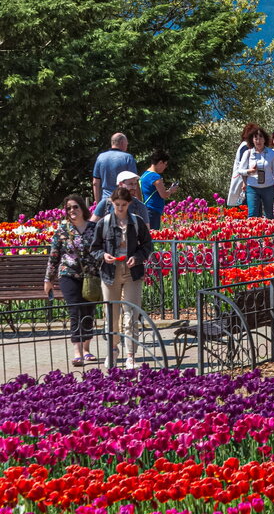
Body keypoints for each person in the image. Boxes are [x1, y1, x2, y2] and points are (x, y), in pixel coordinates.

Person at [90, 187, 154, 369]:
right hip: (110, 272)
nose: (120, 208)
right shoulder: (104, 223)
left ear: (129, 204)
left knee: (132, 314)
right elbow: (94, 248)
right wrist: (103, 256)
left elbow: (148, 245)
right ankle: (113, 349)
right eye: (117, 205)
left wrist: (138, 257)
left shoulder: (136, 222)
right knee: (111, 314)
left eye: (123, 205)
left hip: (132, 271)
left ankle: (131, 355)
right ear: (111, 203)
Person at [44, 195, 99, 366]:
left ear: (82, 208)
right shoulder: (62, 230)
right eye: (68, 208)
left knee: (88, 310)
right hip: (68, 275)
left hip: (90, 276)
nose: (72, 211)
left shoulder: (94, 228)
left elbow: (101, 250)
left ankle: (87, 348)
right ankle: (77, 351)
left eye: (75, 207)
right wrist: (48, 279)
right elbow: (54, 256)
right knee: (75, 311)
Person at [237, 127, 274, 219]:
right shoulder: (248, 153)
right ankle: (252, 233)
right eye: (256, 138)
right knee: (252, 215)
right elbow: (240, 170)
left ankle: (270, 233)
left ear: (265, 139)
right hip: (252, 188)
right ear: (252, 140)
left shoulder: (271, 153)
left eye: (261, 137)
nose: (258, 141)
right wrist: (249, 171)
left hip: (268, 188)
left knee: (269, 214)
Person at [92, 133, 137, 205]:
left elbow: (95, 183)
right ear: (122, 143)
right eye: (126, 144)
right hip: (123, 201)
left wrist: (98, 204)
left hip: (106, 200)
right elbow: (134, 182)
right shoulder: (128, 158)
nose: (127, 146)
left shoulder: (100, 157)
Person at [139, 151, 178, 230]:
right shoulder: (155, 177)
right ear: (160, 162)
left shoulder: (144, 175)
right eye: (165, 164)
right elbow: (164, 195)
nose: (165, 167)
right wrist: (171, 190)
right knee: (153, 235)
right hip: (153, 210)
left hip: (145, 209)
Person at [227, 124, 261, 207]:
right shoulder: (246, 146)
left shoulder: (243, 145)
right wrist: (245, 182)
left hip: (244, 179)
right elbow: (244, 166)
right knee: (243, 206)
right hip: (243, 180)